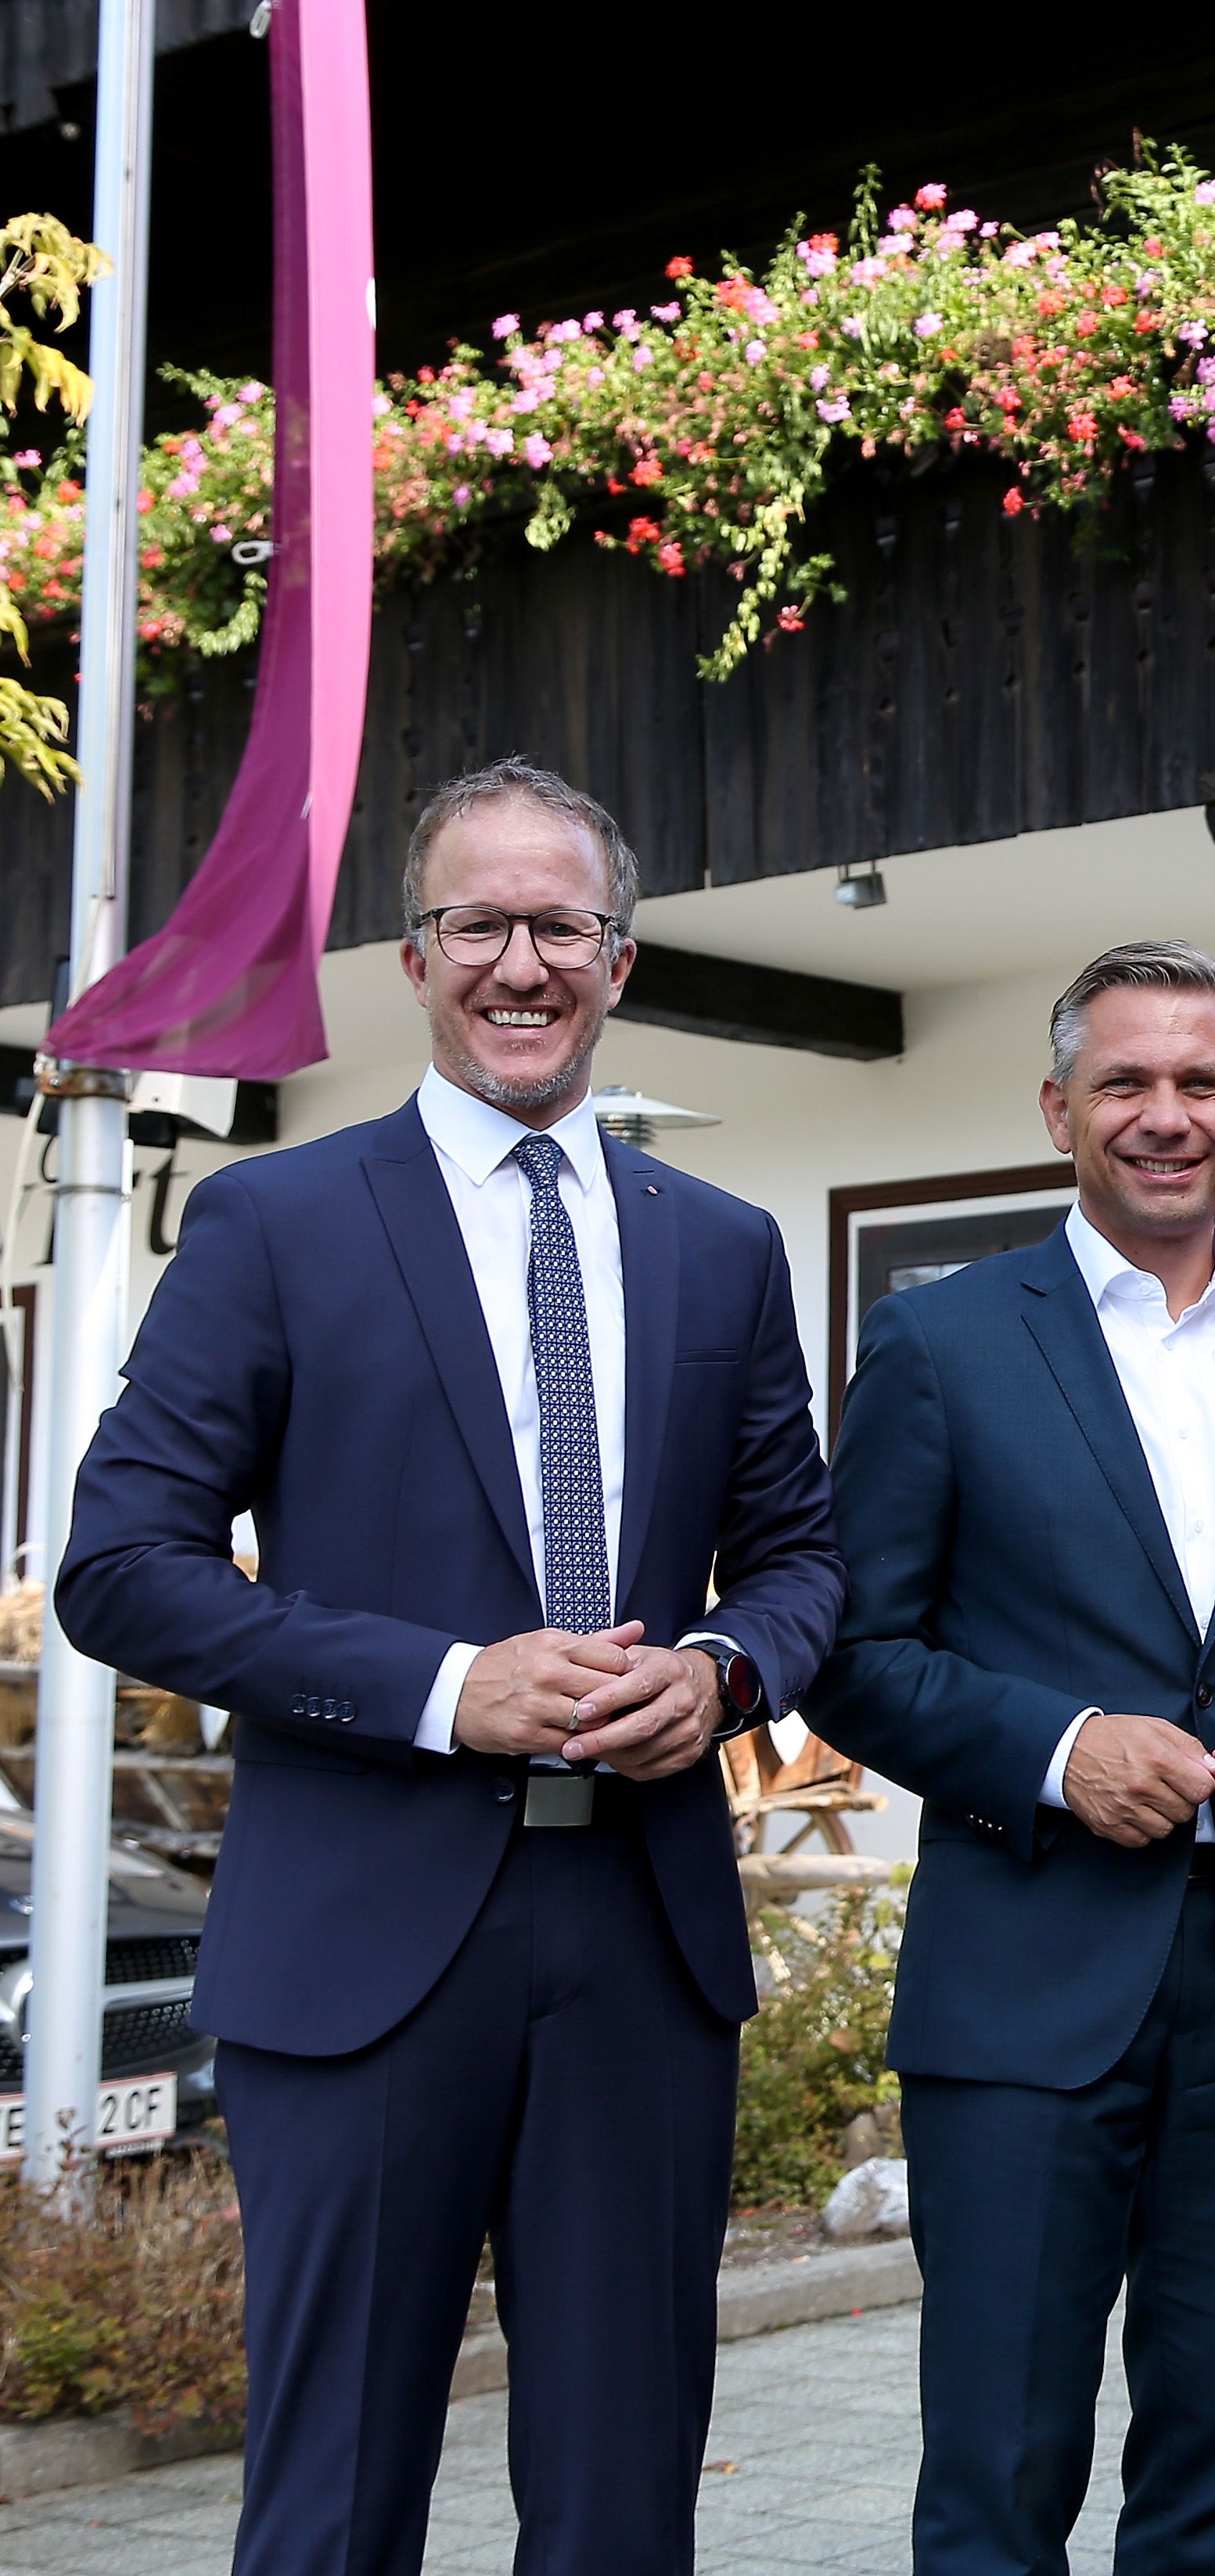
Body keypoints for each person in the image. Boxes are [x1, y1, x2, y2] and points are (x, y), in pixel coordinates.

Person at [58, 758, 841, 2576]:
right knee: (332, 2502)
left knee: (623, 2502)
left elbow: (806, 1560)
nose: (519, 962)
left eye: (558, 924)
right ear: (411, 959)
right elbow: (122, 1565)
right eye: (477, 923)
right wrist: (441, 1687)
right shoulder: (279, 1222)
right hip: (363, 1943)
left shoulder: (717, 1249)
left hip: (642, 1950)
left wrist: (724, 1672)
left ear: (619, 959)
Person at [797, 940, 1215, 2576]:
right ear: (1059, 1107)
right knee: (1001, 2462)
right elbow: (851, 1654)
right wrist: (1057, 1747)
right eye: (1125, 1082)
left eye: (1198, 1082)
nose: (1164, 1115)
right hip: (1022, 1983)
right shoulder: (939, 1344)